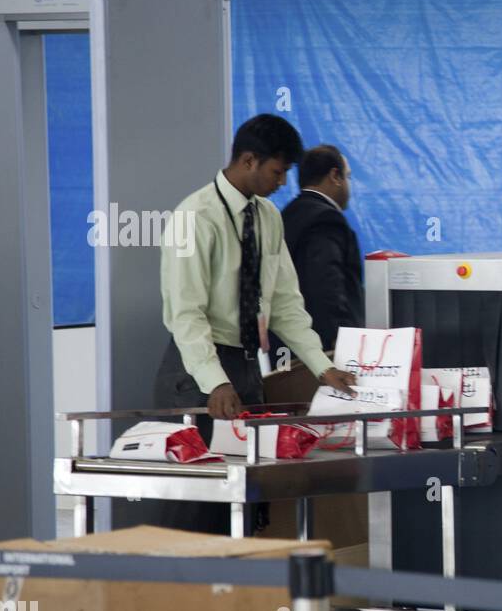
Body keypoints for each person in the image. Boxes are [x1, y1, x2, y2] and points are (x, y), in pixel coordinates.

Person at [155, 113, 356, 533]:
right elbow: (185, 314)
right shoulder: (195, 216)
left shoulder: (268, 217)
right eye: (277, 171)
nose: (283, 182)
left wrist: (322, 366)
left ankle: (238, 595)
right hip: (197, 370)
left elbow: (286, 304)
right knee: (197, 508)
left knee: (244, 503)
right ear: (249, 160)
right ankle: (185, 596)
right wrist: (215, 382)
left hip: (245, 369)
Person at [271, 144, 363, 356]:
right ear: (335, 176)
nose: (348, 185)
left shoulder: (286, 215)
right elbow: (326, 287)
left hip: (283, 347)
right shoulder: (326, 220)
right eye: (347, 177)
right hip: (318, 351)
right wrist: (340, 346)